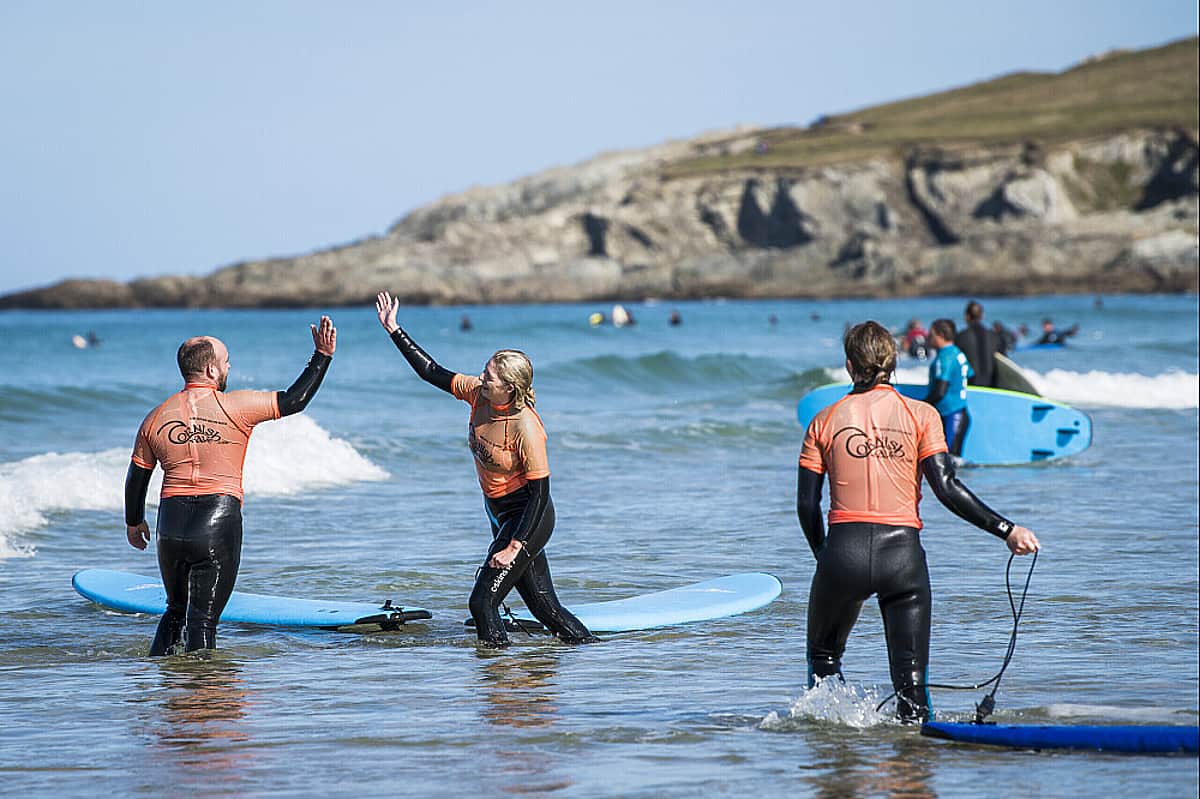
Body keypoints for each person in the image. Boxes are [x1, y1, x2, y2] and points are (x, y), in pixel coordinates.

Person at [796, 321, 1039, 722]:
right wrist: (1007, 530)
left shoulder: (823, 421)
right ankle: (914, 764)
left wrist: (825, 555)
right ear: (892, 364)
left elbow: (807, 505)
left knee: (824, 660)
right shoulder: (922, 415)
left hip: (843, 553)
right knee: (911, 685)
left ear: (848, 365)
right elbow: (947, 488)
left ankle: (831, 756)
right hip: (902, 559)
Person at [374, 291, 597, 648]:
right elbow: (431, 372)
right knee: (544, 607)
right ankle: (589, 652)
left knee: (481, 603)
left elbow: (541, 495)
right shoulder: (479, 394)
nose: (481, 377)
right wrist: (394, 329)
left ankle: (498, 675)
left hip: (528, 516)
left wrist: (514, 546)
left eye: (489, 376)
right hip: (499, 512)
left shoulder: (525, 427)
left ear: (509, 388)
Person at [124, 317, 337, 655]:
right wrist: (321, 356)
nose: (229, 367)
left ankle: (162, 684)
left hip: (171, 525)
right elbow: (295, 400)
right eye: (225, 362)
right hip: (216, 520)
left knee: (175, 610)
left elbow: (138, 475)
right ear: (211, 370)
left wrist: (133, 522)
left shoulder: (155, 416)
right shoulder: (236, 405)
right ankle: (207, 696)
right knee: (203, 622)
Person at [925, 319, 973, 457]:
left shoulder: (944, 357)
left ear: (940, 335)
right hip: (961, 413)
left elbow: (940, 392)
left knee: (947, 462)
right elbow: (970, 374)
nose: (929, 337)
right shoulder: (959, 353)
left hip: (951, 416)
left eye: (931, 334)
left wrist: (920, 406)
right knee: (954, 462)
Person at [954, 301, 1000, 387]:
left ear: (966, 316)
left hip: (970, 386)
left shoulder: (960, 337)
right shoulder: (994, 337)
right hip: (992, 386)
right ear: (982, 315)